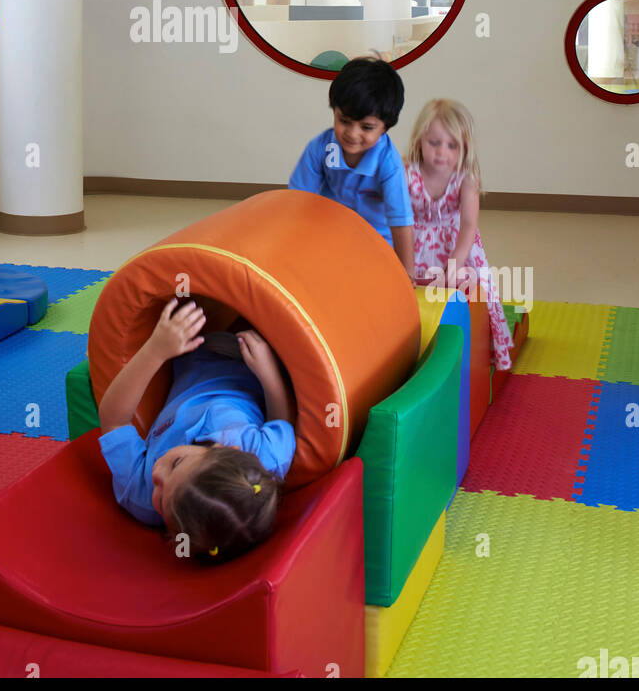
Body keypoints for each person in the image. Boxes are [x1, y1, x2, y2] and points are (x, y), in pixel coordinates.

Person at [98, 298, 296, 562]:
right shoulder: (260, 460)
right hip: (259, 360)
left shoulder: (141, 497)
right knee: (260, 306)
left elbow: (114, 422)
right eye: (175, 464)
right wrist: (269, 371)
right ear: (229, 450)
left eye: (160, 500)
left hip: (196, 353)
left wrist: (154, 351)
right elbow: (281, 423)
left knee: (194, 309)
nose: (157, 474)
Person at [405, 98, 513, 371]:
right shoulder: (407, 172)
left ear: (464, 147)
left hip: (454, 246)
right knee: (400, 283)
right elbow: (398, 218)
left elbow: (467, 225)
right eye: (434, 143)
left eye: (452, 145)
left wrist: (454, 263)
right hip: (414, 242)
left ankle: (479, 341)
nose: (442, 153)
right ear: (420, 140)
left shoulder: (466, 178)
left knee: (472, 283)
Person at [288, 56, 415, 278]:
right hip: (330, 235)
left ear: (385, 127)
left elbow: (401, 222)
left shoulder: (389, 164)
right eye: (344, 120)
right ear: (334, 111)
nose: (352, 133)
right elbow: (297, 202)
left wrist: (407, 274)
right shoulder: (320, 148)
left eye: (366, 127)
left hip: (376, 242)